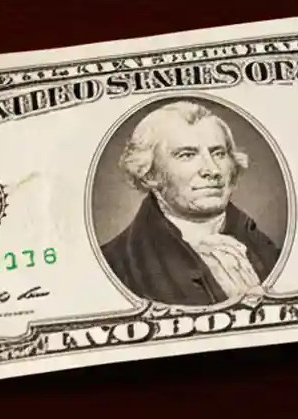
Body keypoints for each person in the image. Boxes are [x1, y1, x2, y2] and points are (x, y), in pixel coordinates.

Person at [100, 98, 282, 306]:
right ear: (149, 174)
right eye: (187, 155)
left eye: (218, 153)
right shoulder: (115, 265)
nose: (212, 170)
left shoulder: (267, 250)